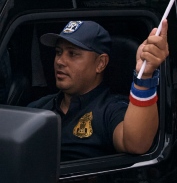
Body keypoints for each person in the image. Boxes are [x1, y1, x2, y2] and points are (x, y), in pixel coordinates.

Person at [28, 19, 168, 159]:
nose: (60, 61)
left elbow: (136, 144)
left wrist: (144, 77)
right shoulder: (39, 108)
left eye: (72, 54)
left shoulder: (110, 110)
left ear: (100, 63)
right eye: (58, 52)